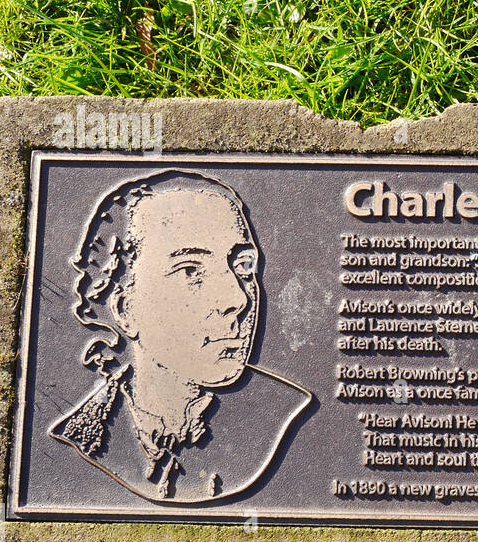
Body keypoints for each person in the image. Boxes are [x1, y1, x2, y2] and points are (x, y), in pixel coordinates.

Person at [50, 169, 312, 503]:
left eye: (243, 266)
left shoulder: (284, 415)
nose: (237, 299)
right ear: (125, 308)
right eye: (191, 271)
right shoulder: (81, 435)